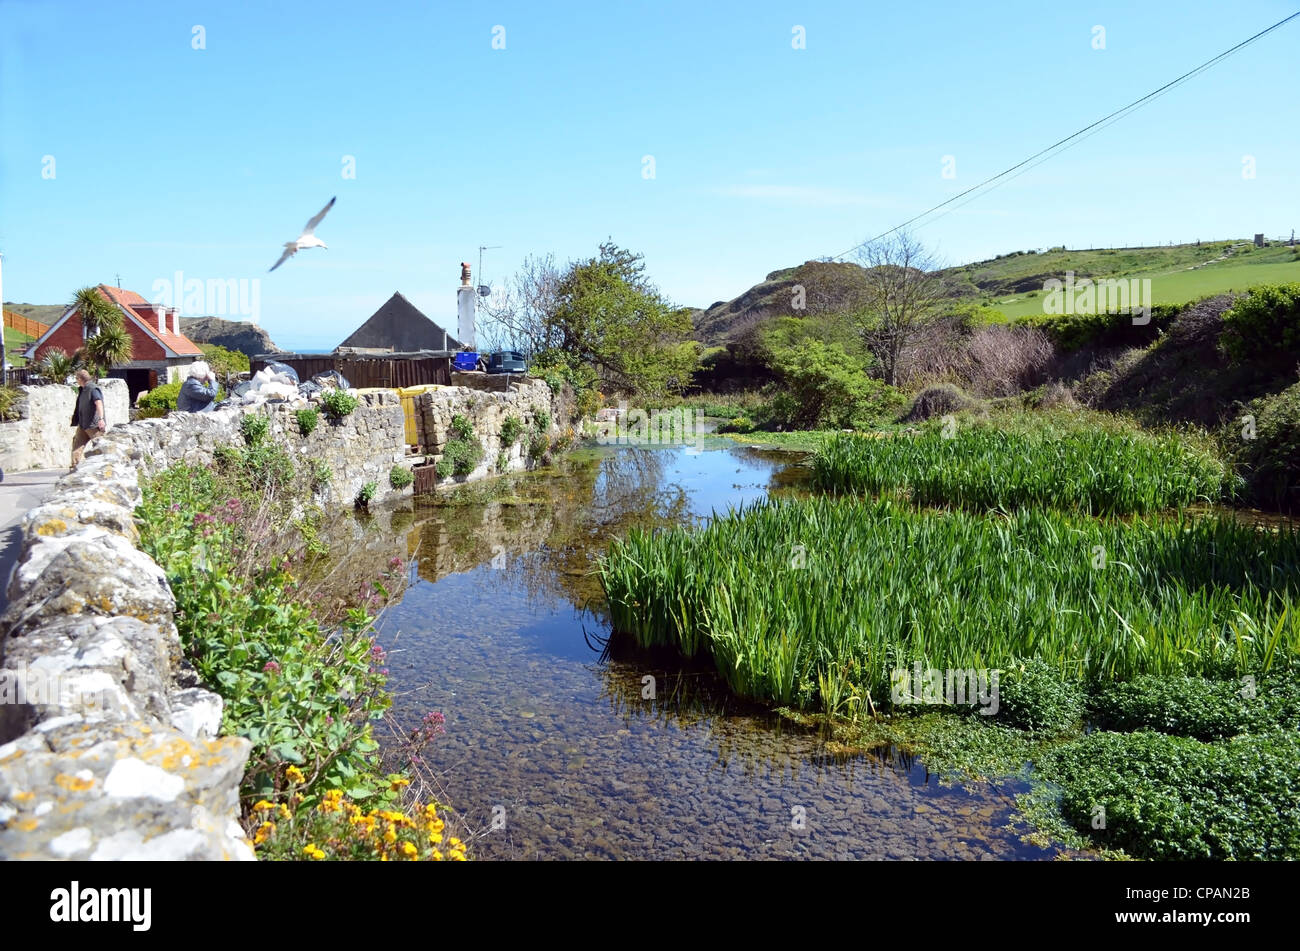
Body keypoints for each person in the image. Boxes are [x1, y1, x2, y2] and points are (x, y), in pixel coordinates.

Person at [70, 369, 106, 469]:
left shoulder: (93, 389)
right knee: (77, 446)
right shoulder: (83, 389)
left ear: (81, 379)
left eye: (77, 378)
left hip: (94, 425)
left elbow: (98, 402)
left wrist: (101, 419)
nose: (76, 380)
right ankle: (74, 468)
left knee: (99, 447)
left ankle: (102, 469)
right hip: (83, 424)